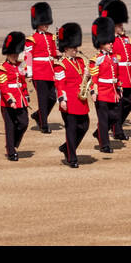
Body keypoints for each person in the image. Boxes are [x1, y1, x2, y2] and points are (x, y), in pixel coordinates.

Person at [99, 0, 131, 141]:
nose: (122, 27)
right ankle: (117, 130)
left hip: (128, 76)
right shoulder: (110, 40)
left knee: (130, 101)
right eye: (119, 24)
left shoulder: (125, 39)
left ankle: (116, 125)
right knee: (119, 105)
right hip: (119, 75)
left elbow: (129, 58)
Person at [55, 23, 89, 168]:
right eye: (73, 47)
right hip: (69, 101)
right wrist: (62, 99)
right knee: (71, 128)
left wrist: (88, 76)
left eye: (76, 47)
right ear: (66, 48)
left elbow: (84, 78)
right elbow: (59, 83)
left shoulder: (81, 61)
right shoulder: (60, 64)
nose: (76, 49)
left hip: (81, 100)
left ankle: (66, 147)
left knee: (84, 126)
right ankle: (72, 157)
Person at [0, 32, 31, 161]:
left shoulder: (20, 65)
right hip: (8, 102)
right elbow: (4, 87)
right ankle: (11, 151)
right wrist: (10, 100)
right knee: (10, 127)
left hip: (21, 99)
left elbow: (22, 83)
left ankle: (13, 144)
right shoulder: (2, 68)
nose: (15, 56)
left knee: (24, 123)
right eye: (13, 54)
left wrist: (26, 96)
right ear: (8, 54)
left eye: (17, 54)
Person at [26, 2, 60, 133]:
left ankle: (38, 115)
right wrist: (29, 73)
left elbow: (52, 53)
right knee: (42, 98)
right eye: (44, 23)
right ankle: (44, 125)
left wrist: (57, 54)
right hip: (38, 71)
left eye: (47, 23)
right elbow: (28, 56)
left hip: (50, 70)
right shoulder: (32, 39)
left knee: (52, 97)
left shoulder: (51, 37)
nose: (47, 25)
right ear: (38, 23)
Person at [89, 17, 119, 154]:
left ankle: (99, 133)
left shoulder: (114, 57)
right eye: (108, 42)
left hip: (112, 91)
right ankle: (104, 145)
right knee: (103, 119)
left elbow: (117, 76)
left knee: (114, 116)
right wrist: (93, 92)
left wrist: (118, 89)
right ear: (101, 43)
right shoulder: (96, 59)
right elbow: (94, 77)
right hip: (101, 91)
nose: (111, 44)